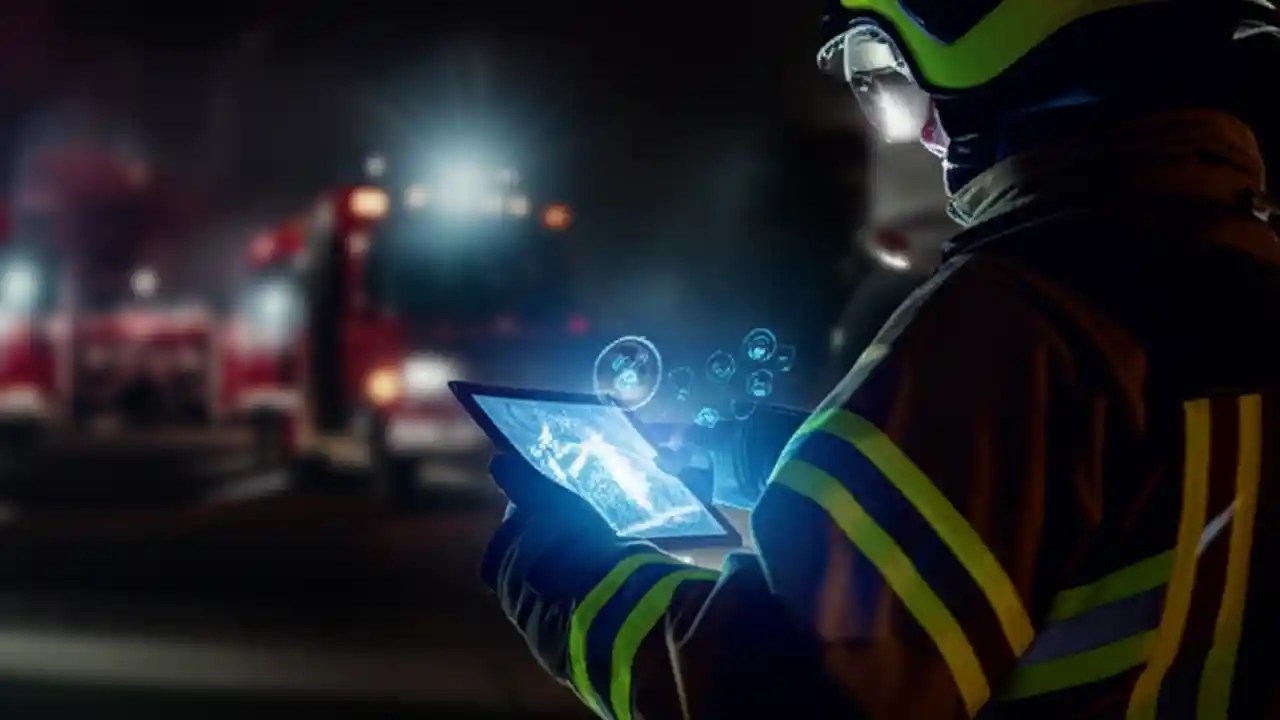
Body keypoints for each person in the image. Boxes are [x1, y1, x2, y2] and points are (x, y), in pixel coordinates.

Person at [482, 1, 1280, 717]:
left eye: (897, 73)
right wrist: (768, 456)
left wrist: (559, 565)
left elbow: (772, 689)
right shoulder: (1238, 278)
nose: (926, 133)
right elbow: (1077, 501)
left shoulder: (1015, 325)